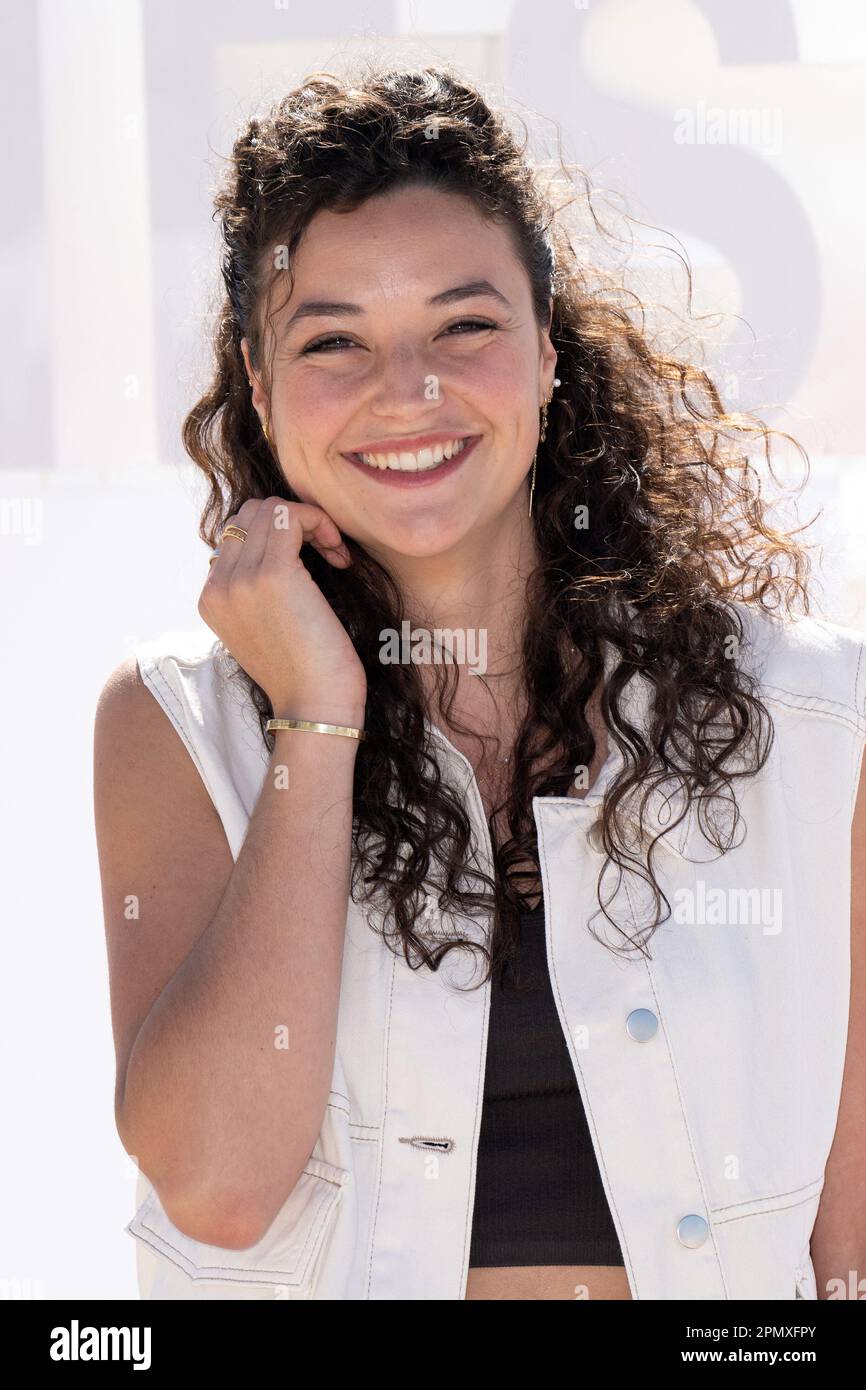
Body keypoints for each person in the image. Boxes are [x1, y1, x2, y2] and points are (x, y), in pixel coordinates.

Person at [94, 64, 866, 1301]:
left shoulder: (809, 720)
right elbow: (219, 1187)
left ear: (547, 351)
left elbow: (847, 1248)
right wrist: (317, 719)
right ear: (256, 379)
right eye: (333, 340)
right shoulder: (180, 725)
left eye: (464, 325)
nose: (410, 391)